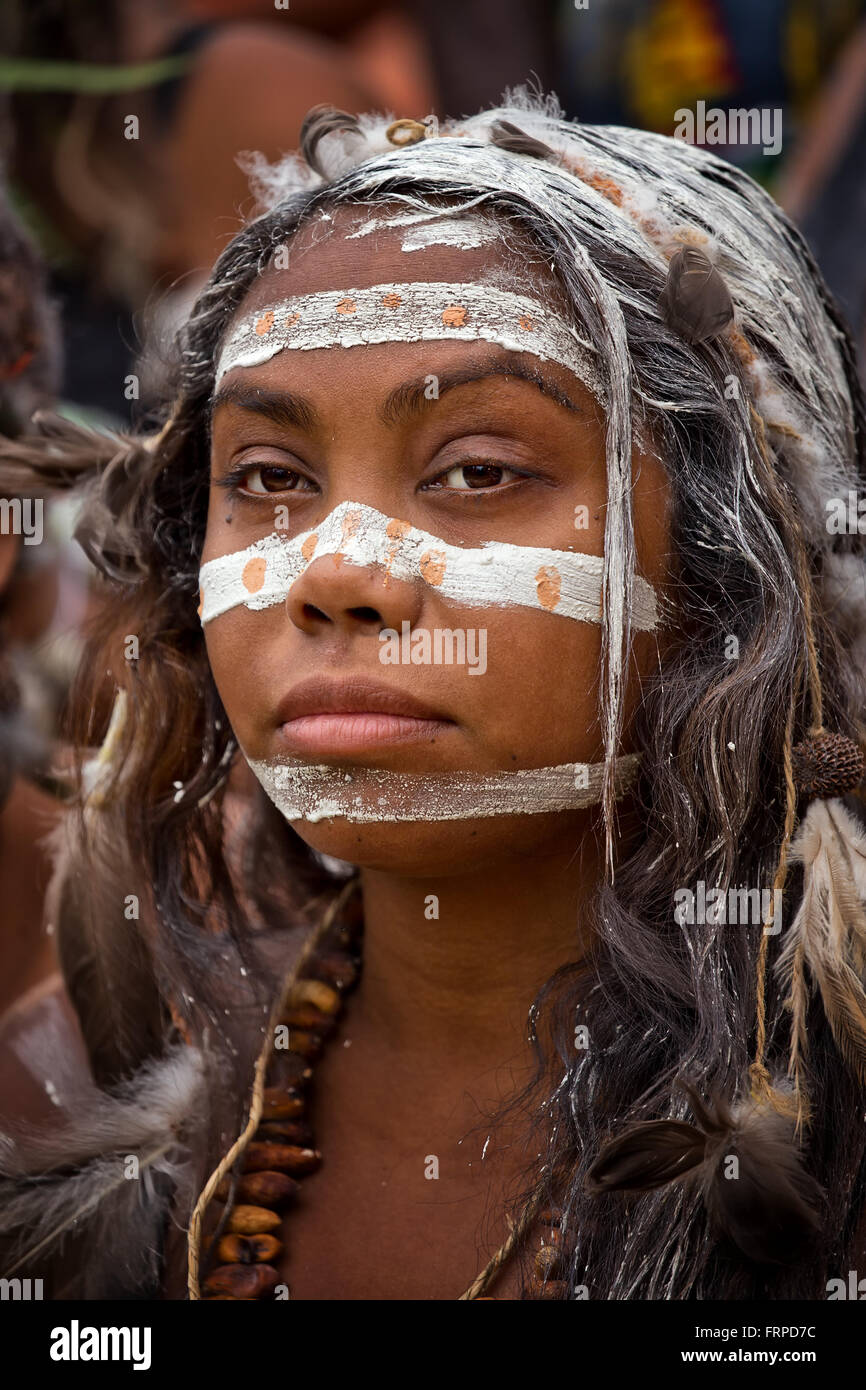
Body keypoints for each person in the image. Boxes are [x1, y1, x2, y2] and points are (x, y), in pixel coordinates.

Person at [1, 91, 865, 1301]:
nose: (339, 570)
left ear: (731, 566)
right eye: (268, 477)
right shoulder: (55, 1085)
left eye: (476, 469)